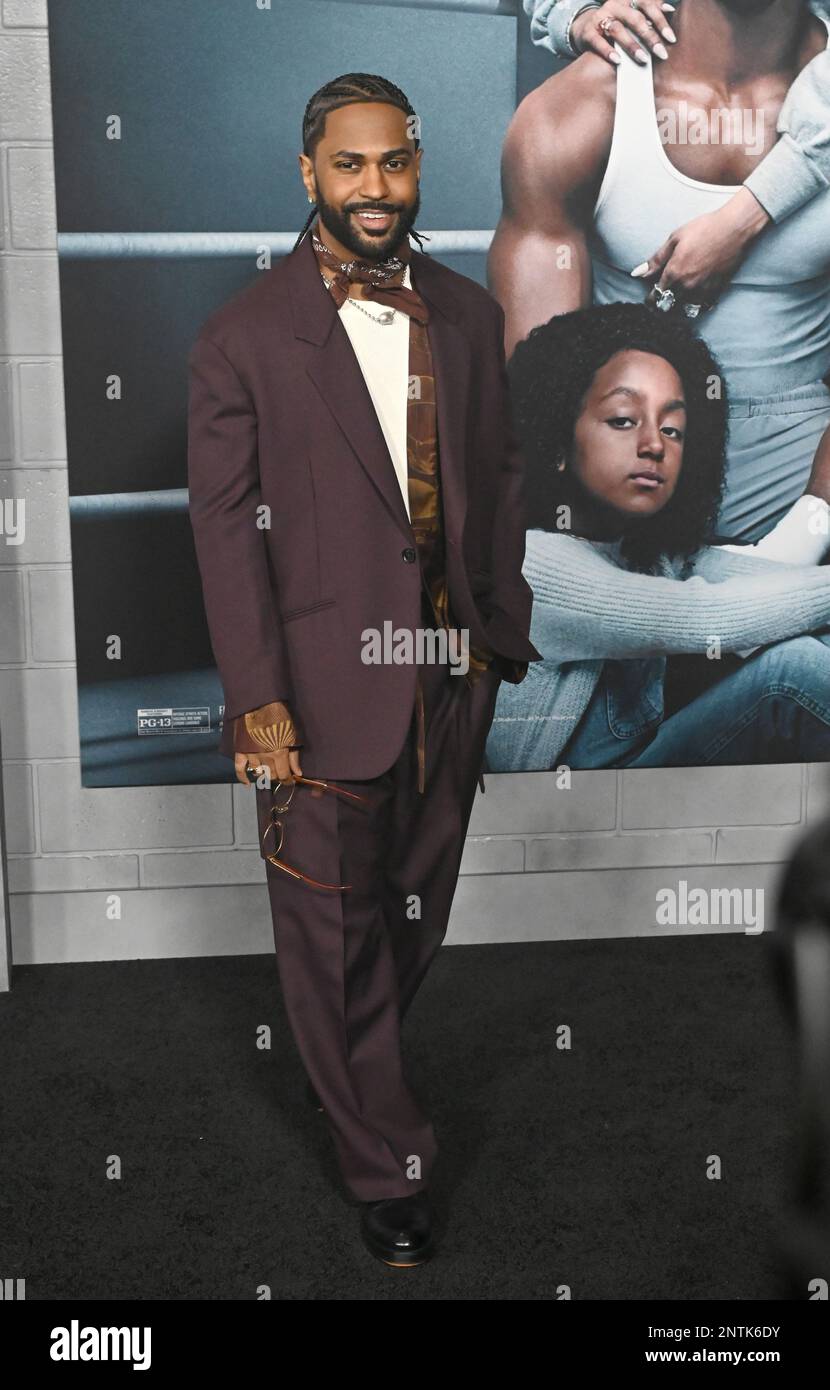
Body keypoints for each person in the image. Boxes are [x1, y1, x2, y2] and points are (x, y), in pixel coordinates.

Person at [186, 73, 541, 1267]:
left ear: (415, 165)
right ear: (307, 175)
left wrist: (499, 629)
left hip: (448, 679)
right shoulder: (242, 336)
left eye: (392, 163)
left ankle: (349, 1075)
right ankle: (386, 1161)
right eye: (349, 166)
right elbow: (225, 531)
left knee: (410, 919)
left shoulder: (465, 312)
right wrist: (258, 701)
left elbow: (498, 479)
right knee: (332, 940)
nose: (374, 189)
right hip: (318, 695)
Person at [491, 0, 830, 540]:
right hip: (613, 497)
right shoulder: (585, 104)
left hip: (801, 485)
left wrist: (813, 529)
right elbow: (540, 384)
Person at [484, 304, 830, 772]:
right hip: (554, 823)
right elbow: (707, 616)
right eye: (623, 420)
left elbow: (775, 588)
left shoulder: (648, 555)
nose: (654, 445)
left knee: (809, 645)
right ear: (557, 445)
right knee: (789, 674)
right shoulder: (531, 565)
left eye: (673, 428)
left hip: (636, 797)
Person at [524, 0, 830, 309]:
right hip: (619, 350)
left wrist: (741, 220)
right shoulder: (586, 102)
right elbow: (541, 351)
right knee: (638, 362)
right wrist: (575, 13)